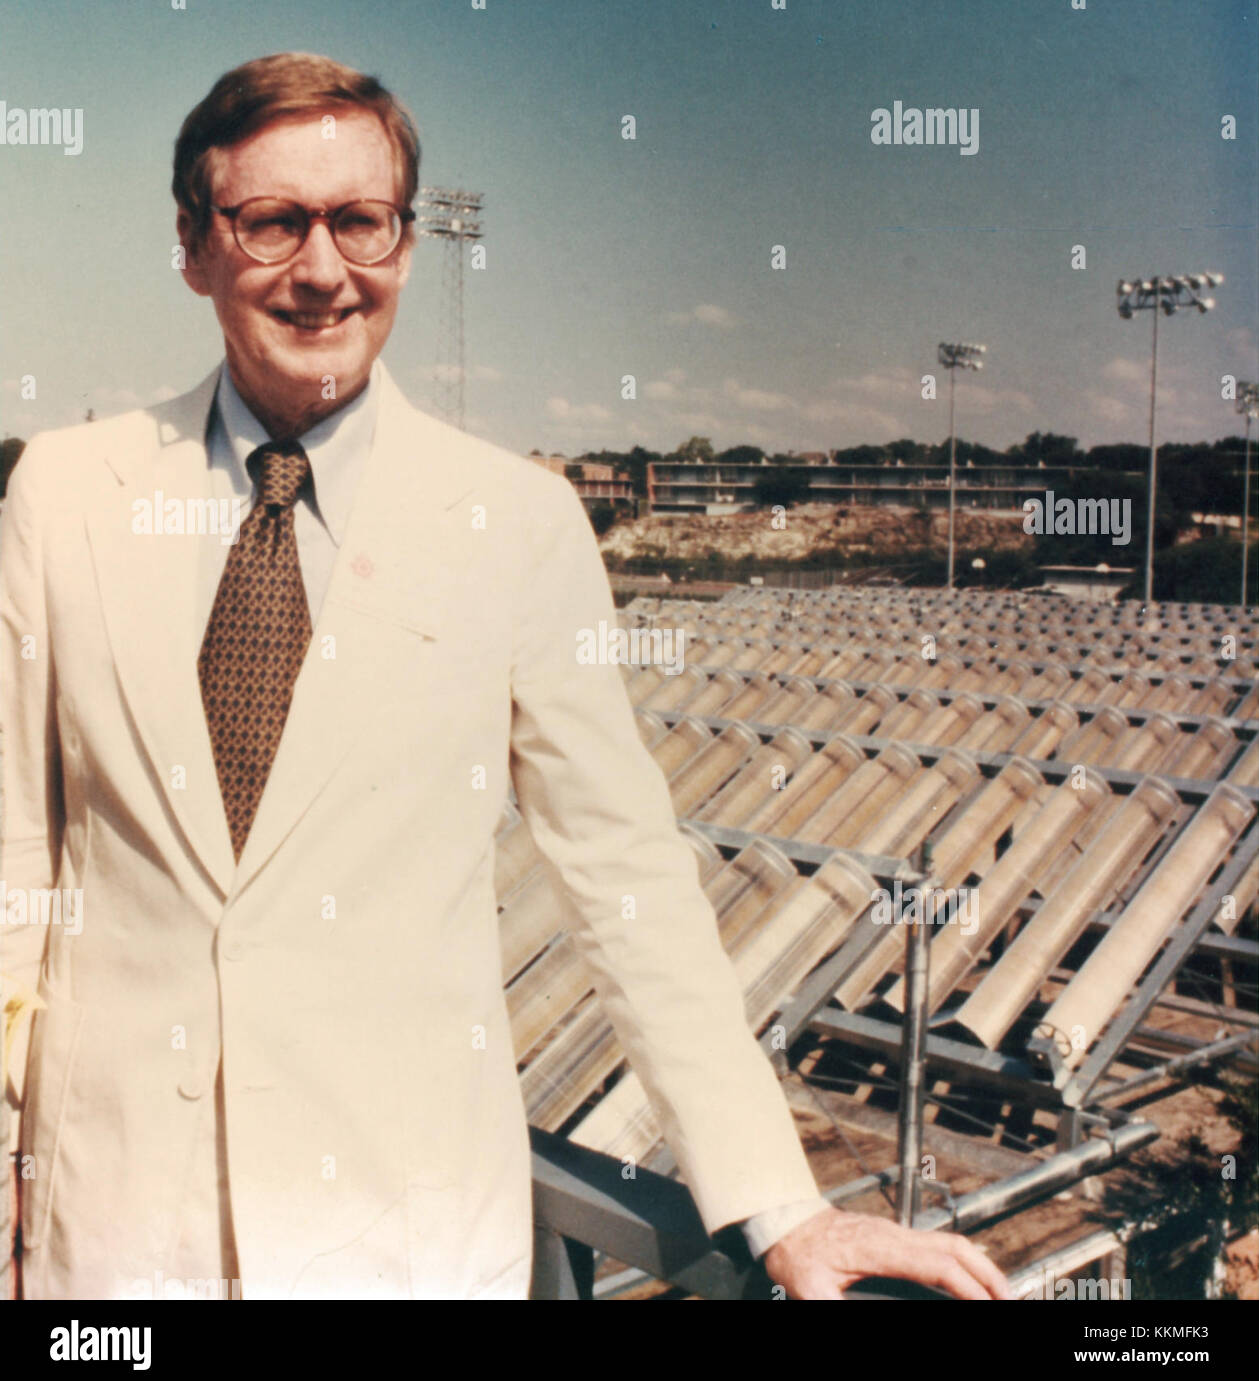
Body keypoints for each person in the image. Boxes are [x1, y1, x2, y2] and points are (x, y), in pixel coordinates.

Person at [1, 52, 1008, 1301]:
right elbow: (19, 857)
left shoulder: (517, 524)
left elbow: (622, 874)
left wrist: (779, 1203)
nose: (322, 270)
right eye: (271, 223)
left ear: (408, 244)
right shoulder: (66, 492)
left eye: (359, 221)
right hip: (115, 1246)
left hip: (403, 1242)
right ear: (194, 246)